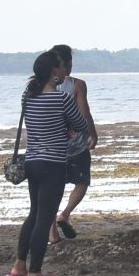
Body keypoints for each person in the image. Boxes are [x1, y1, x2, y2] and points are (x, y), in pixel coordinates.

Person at [7, 48, 86, 276]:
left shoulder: (27, 96)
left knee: (33, 214)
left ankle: (19, 266)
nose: (65, 71)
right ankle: (34, 274)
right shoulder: (61, 98)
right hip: (53, 163)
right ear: (54, 71)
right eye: (62, 67)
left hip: (32, 161)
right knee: (44, 218)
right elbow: (80, 123)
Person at [49, 44, 97, 242]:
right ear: (67, 64)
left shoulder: (37, 85)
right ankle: (65, 214)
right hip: (74, 142)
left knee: (52, 187)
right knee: (82, 180)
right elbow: (83, 112)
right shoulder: (77, 85)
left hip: (49, 143)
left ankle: (51, 231)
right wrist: (92, 133)